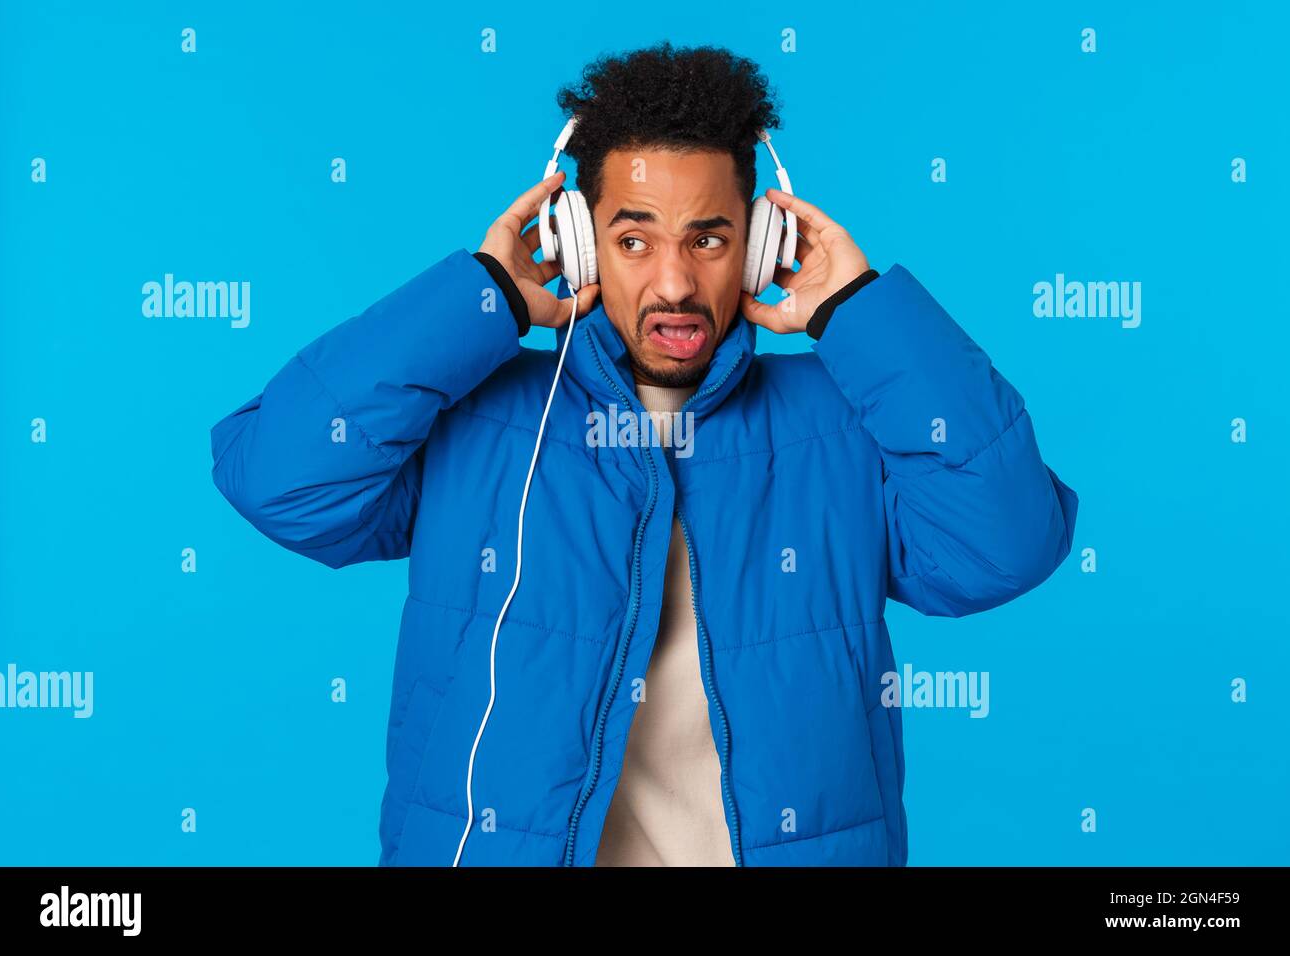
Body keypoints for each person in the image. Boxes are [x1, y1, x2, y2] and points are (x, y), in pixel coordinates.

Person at [209, 41, 1078, 867]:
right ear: (576, 240)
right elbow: (280, 480)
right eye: (633, 240)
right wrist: (477, 299)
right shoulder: (482, 414)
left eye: (707, 238)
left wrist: (858, 310)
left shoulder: (842, 421)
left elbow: (1005, 546)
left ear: (760, 245)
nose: (672, 282)